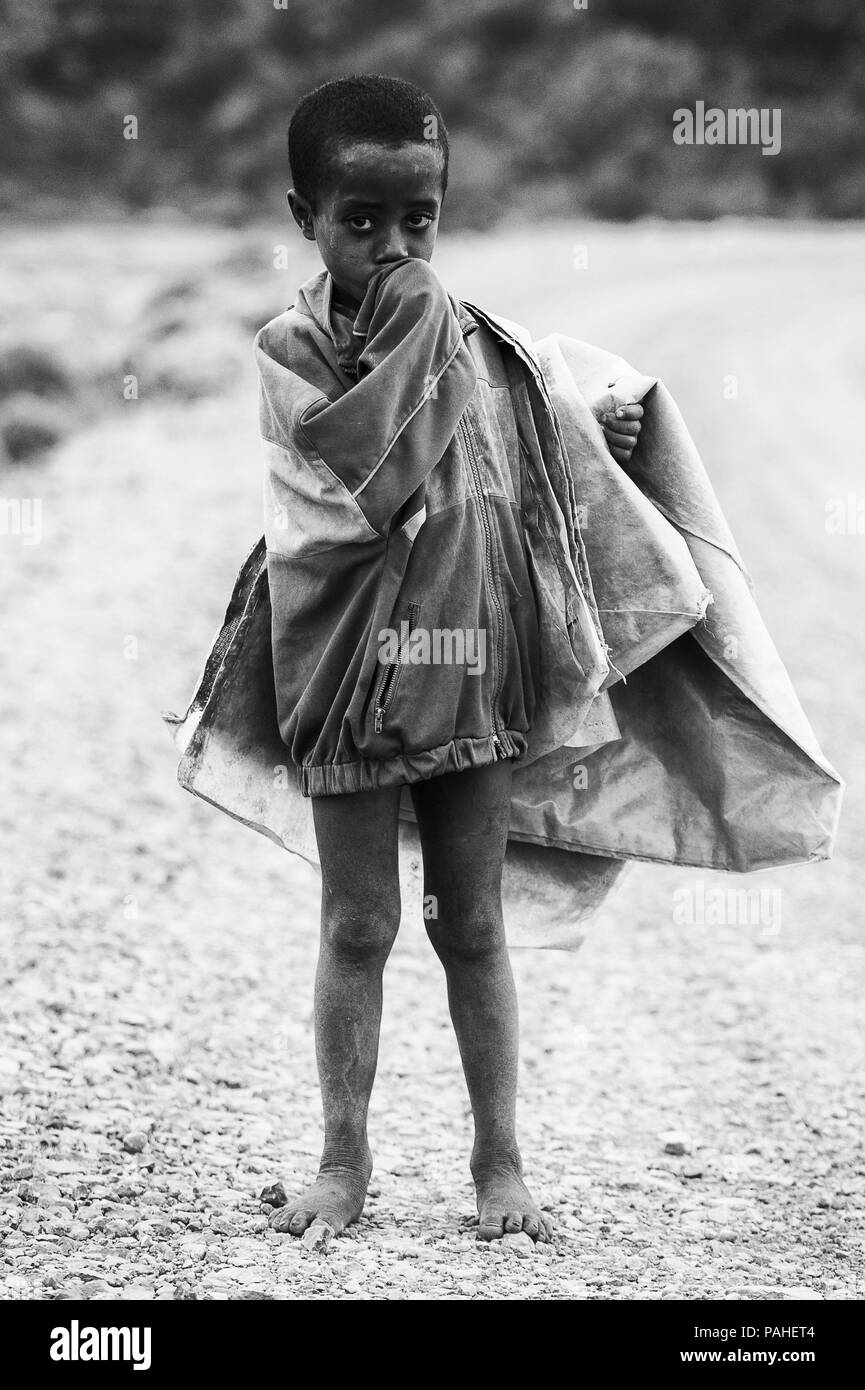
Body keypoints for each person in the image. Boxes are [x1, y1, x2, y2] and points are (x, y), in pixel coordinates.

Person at [254, 73, 642, 1243]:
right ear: (303, 220)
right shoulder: (290, 348)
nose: (393, 247)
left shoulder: (465, 331)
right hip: (341, 679)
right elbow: (362, 480)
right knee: (358, 924)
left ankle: (500, 1166)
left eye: (418, 220)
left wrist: (588, 422)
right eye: (359, 221)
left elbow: (518, 416)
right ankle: (342, 1163)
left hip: (473, 659)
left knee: (469, 923)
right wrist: (429, 317)